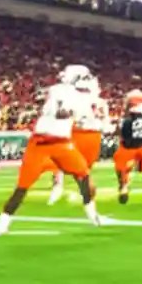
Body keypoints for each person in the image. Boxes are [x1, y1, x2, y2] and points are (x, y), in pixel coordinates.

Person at [0, 65, 109, 237]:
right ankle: (2, 223)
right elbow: (60, 111)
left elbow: (81, 116)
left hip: (63, 143)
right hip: (40, 144)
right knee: (22, 186)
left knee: (84, 176)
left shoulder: (80, 97)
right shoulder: (60, 91)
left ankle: (93, 215)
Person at [48, 70, 107, 206]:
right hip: (94, 136)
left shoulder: (76, 98)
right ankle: (88, 198)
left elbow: (64, 114)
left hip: (78, 133)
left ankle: (58, 186)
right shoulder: (100, 101)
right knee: (83, 173)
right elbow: (104, 120)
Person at [114, 90, 142, 203]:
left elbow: (123, 134)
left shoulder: (128, 120)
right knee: (130, 165)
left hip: (129, 148)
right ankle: (126, 179)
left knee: (120, 166)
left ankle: (124, 185)